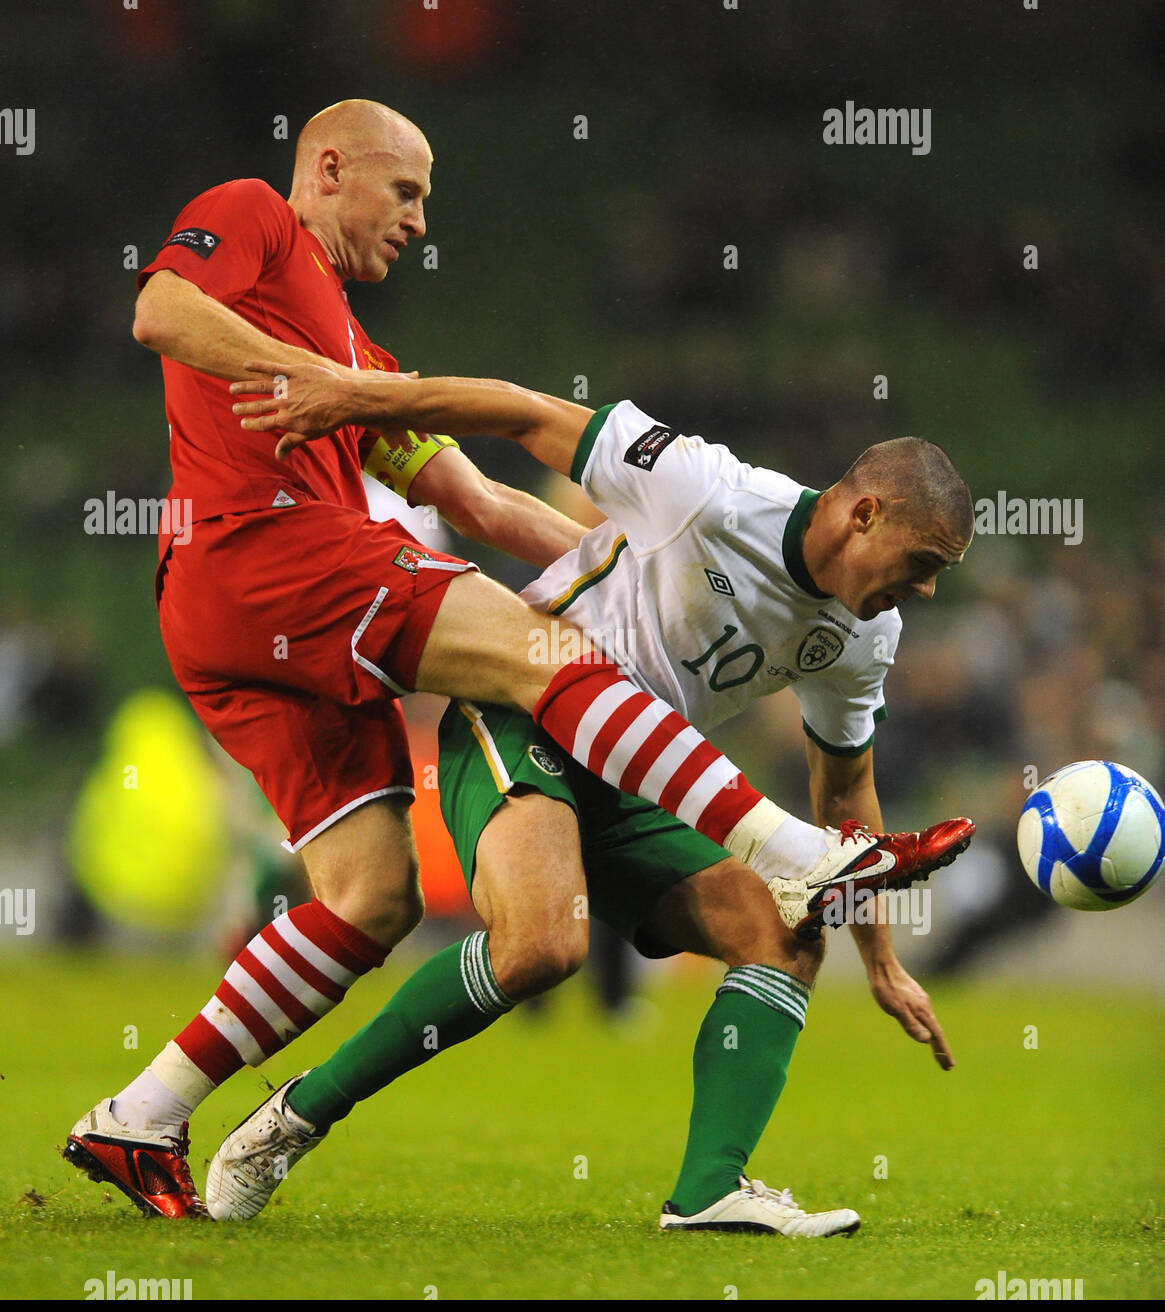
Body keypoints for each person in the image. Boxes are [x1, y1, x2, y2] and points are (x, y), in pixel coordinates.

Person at [65, 102, 966, 1220]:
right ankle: (789, 848)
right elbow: (158, 308)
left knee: (370, 900)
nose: (421, 219)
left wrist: (634, 560)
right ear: (330, 166)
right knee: (548, 654)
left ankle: (142, 1113)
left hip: (258, 636)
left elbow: (482, 498)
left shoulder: (363, 352)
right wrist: (304, 377)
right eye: (408, 192)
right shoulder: (253, 220)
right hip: (261, 553)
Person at [204, 361, 976, 1234]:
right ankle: (291, 1120)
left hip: (638, 777)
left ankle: (709, 1192)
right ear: (863, 511)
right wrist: (358, 399)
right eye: (922, 562)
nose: (924, 589)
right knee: (541, 947)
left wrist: (879, 959)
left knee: (780, 934)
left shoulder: (863, 634)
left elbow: (845, 788)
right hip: (519, 706)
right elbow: (525, 413)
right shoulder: (709, 490)